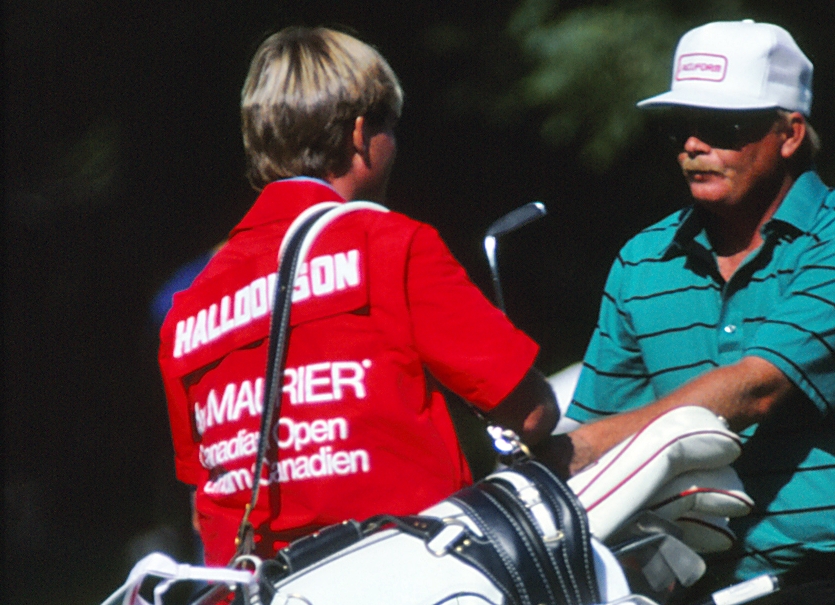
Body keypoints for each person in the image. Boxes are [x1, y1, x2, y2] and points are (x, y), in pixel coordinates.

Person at [541, 20, 835, 604]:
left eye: (724, 126)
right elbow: (595, 430)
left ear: (789, 133)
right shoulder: (642, 261)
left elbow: (755, 388)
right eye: (683, 125)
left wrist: (567, 452)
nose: (694, 144)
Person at [159, 26, 558, 566]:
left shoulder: (187, 310)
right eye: (391, 127)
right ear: (360, 134)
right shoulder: (390, 244)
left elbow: (201, 497)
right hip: (407, 572)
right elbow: (531, 413)